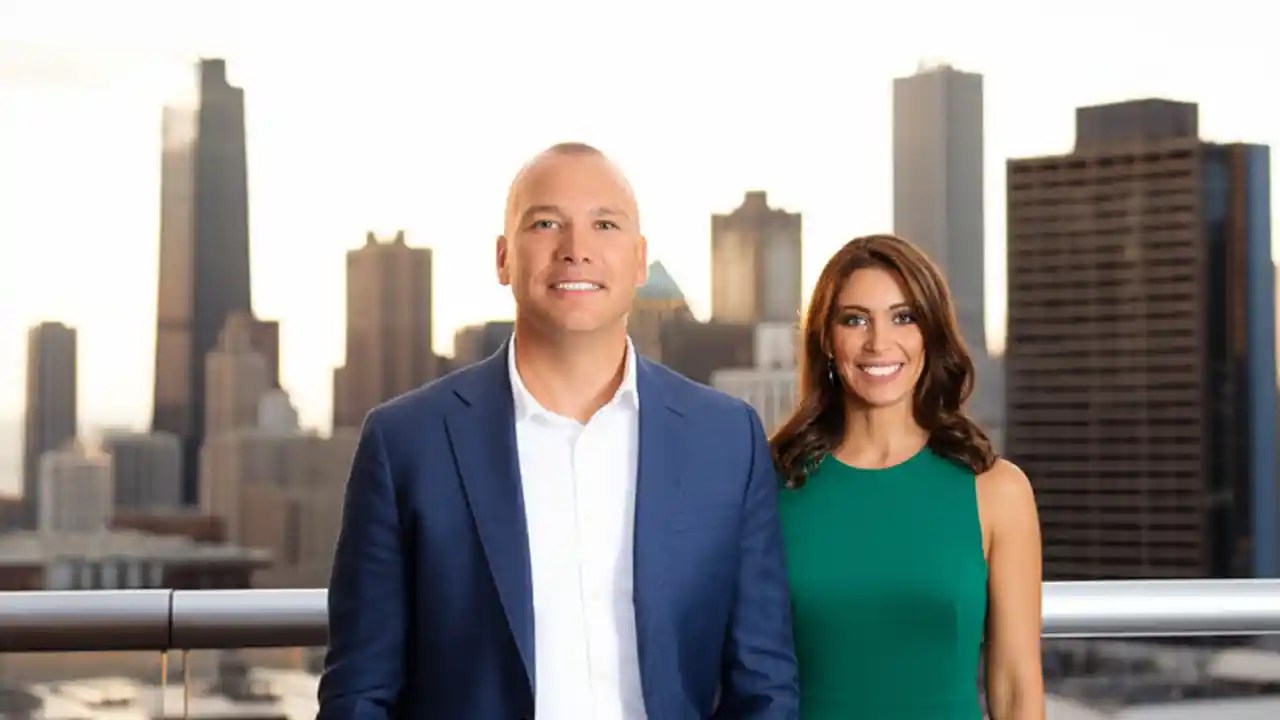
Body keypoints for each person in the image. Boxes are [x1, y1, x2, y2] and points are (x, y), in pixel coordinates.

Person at [317, 142, 799, 719]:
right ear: (503, 258)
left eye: (605, 225)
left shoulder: (725, 440)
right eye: (546, 223)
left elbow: (763, 685)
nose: (576, 249)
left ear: (639, 261)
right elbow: (360, 695)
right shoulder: (407, 443)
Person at [770, 234, 1044, 719]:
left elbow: (1017, 687)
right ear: (826, 340)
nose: (879, 342)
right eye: (855, 320)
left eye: (904, 317)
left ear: (930, 335)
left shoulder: (997, 491)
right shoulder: (773, 485)